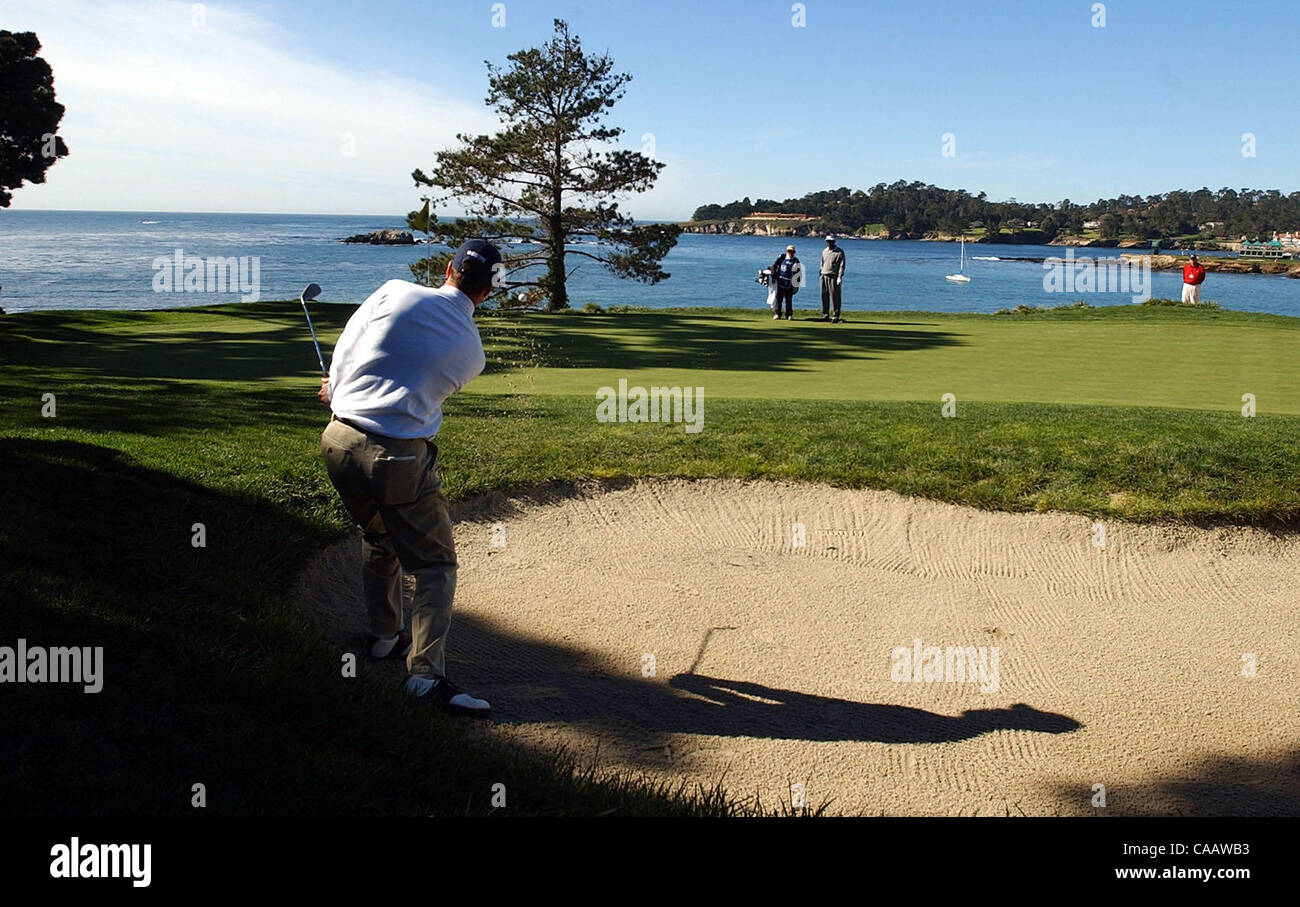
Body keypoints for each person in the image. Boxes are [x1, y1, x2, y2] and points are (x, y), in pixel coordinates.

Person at [317, 239, 501, 718]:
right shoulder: (472, 352)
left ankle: (384, 637)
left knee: (379, 537)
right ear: (488, 291)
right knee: (435, 566)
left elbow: (350, 342)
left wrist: (337, 389)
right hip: (397, 458)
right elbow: (416, 380)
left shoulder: (393, 290)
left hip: (338, 441)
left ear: (448, 269)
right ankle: (425, 677)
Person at [771, 244, 802, 320]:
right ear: (786, 251)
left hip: (790, 283)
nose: (790, 253)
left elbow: (798, 274)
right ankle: (778, 314)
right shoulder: (782, 258)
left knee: (789, 300)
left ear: (794, 252)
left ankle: (789, 314)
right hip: (780, 282)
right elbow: (774, 266)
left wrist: (796, 285)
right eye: (789, 251)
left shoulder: (796, 261)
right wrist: (773, 276)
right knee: (779, 299)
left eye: (792, 251)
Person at [819, 235, 846, 322]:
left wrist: (839, 277)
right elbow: (822, 263)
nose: (829, 243)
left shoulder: (839, 252)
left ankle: (836, 315)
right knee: (824, 296)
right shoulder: (824, 251)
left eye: (830, 241)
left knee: (835, 296)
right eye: (827, 241)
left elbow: (842, 266)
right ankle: (825, 314)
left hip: (833, 276)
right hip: (824, 275)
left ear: (834, 242)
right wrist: (820, 273)